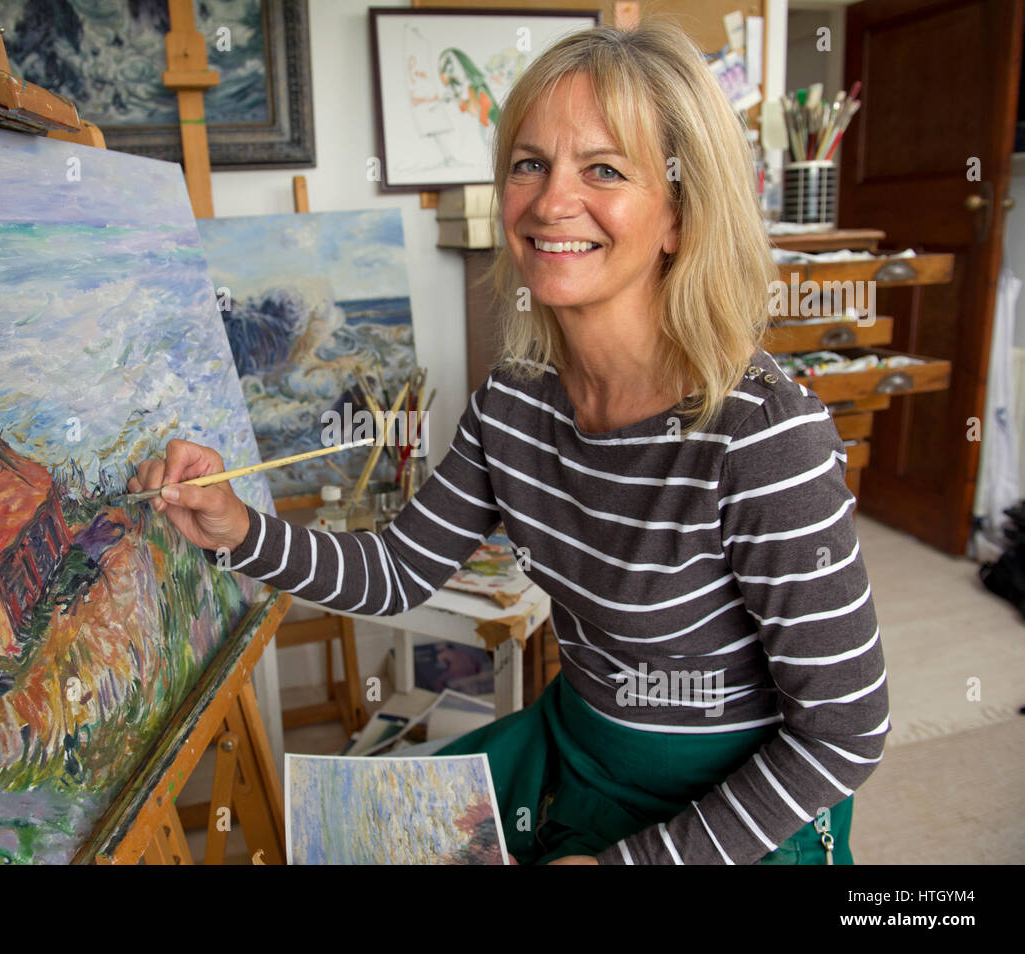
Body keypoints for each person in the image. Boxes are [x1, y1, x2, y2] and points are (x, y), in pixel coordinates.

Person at [129, 21, 887, 865]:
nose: (551, 200)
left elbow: (846, 733)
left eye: (603, 168)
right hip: (581, 756)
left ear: (679, 214)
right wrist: (238, 528)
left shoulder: (762, 434)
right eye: (530, 163)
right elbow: (394, 574)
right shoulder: (513, 405)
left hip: (732, 817)